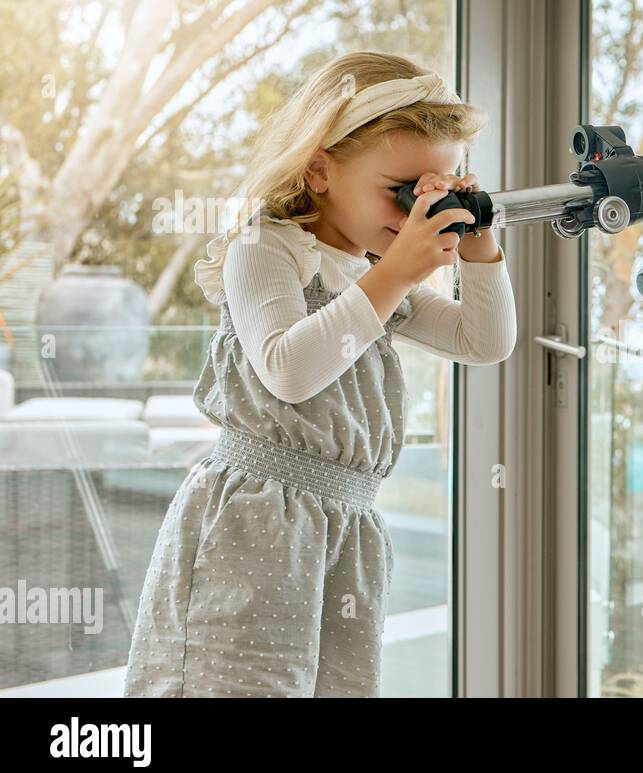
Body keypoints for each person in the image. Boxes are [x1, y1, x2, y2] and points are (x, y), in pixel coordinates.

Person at [123, 51, 516, 697]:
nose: (419, 211)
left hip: (344, 534)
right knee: (234, 681)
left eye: (438, 192)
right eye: (401, 190)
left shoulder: (371, 275)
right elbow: (289, 369)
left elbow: (485, 339)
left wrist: (478, 245)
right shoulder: (265, 247)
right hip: (253, 524)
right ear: (320, 169)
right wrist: (397, 273)